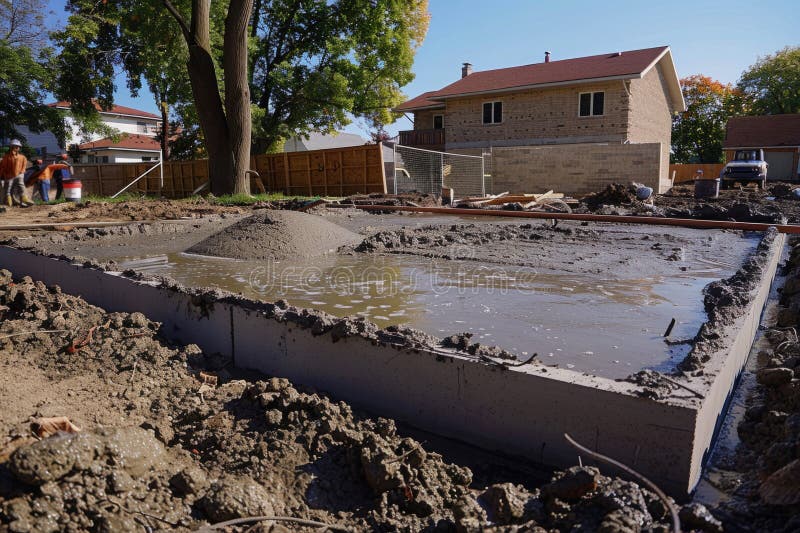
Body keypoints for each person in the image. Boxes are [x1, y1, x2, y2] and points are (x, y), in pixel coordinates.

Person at [0, 139, 33, 207]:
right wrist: (4, 175)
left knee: (21, 187)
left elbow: (24, 167)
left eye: (17, 147)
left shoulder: (23, 157)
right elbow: (3, 167)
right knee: (8, 189)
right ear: (11, 147)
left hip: (19, 175)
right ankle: (9, 202)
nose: (16, 148)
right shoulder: (6, 157)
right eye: (15, 146)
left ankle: (24, 199)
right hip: (9, 176)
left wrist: (21, 173)